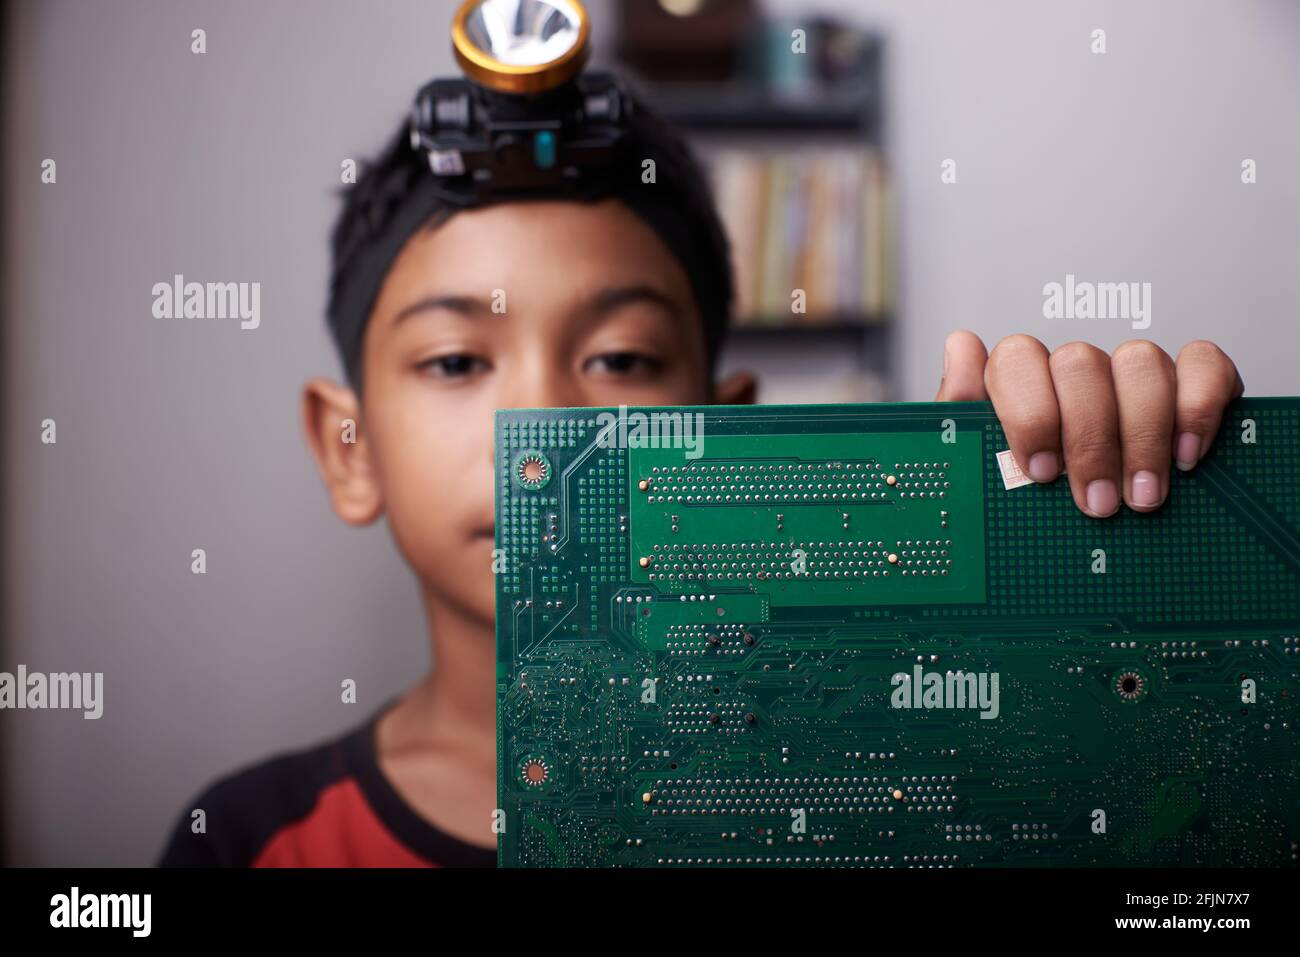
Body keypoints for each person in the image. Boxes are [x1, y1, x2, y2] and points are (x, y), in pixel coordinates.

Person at [158, 93, 1243, 867]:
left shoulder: (880, 791)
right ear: (348, 449)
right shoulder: (253, 840)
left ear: (723, 433)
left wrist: (1049, 596)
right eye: (454, 361)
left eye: (620, 359)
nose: (544, 427)